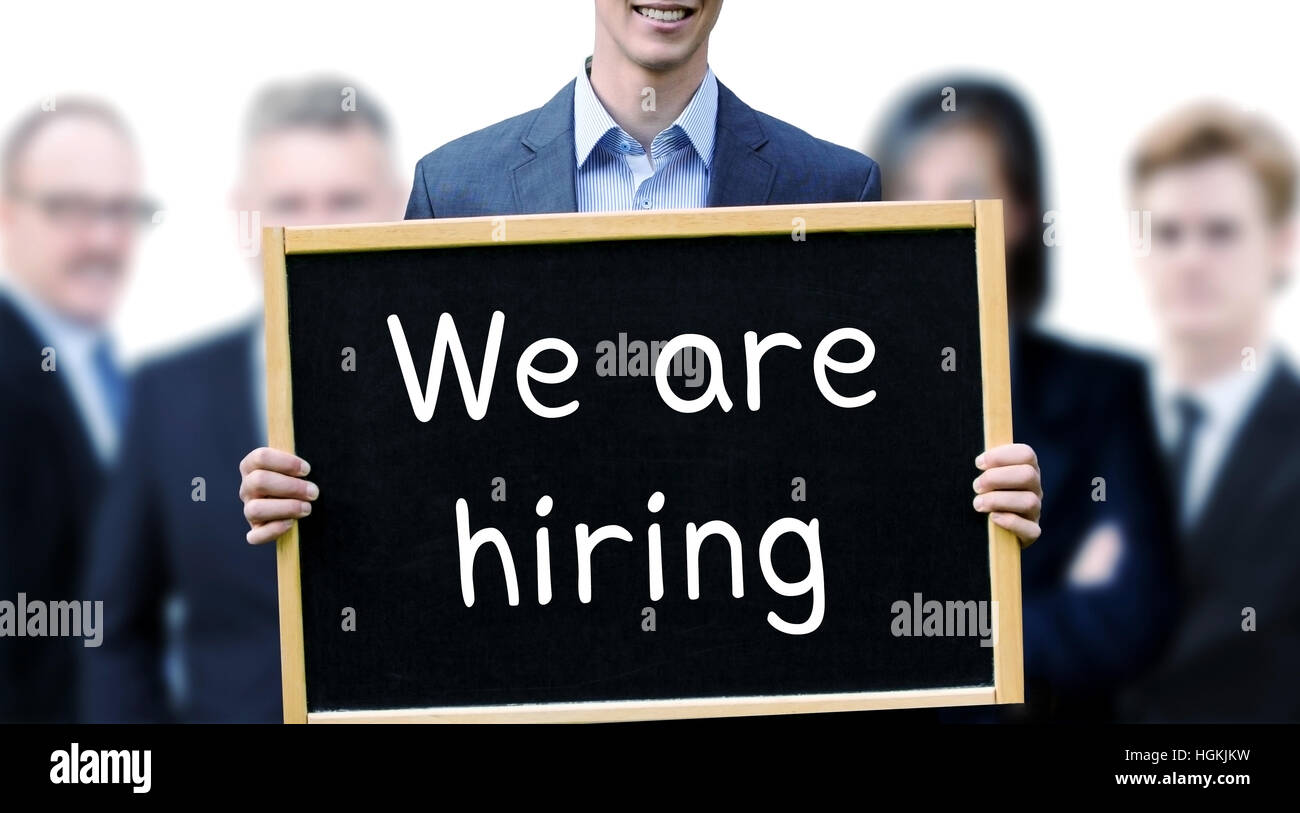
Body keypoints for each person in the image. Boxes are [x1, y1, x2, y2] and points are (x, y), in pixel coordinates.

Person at [239, 4, 1043, 585]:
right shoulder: (458, 189)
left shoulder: (832, 186)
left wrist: (976, 496)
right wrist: (311, 492)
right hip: (532, 667)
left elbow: (873, 457)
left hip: (761, 673)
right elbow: (409, 457)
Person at [80, 77, 405, 722]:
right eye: (289, 202)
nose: (315, 228)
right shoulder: (167, 398)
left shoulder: (471, 384)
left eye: (344, 200)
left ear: (396, 204)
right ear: (243, 219)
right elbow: (112, 633)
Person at [869, 77, 1177, 721]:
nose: (935, 220)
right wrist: (1045, 603)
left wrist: (925, 630)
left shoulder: (1104, 394)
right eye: (911, 196)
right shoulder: (841, 392)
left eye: (963, 194)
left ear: (1020, 210)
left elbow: (1128, 619)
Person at [1121, 103, 1300, 722]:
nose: (1191, 259)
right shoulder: (1083, 431)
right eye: (1168, 234)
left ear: (1282, 245)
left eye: (1221, 232)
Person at [0, 98, 154, 721]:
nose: (103, 239)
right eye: (70, 209)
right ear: (7, 214)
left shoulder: (111, 374)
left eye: (120, 211)